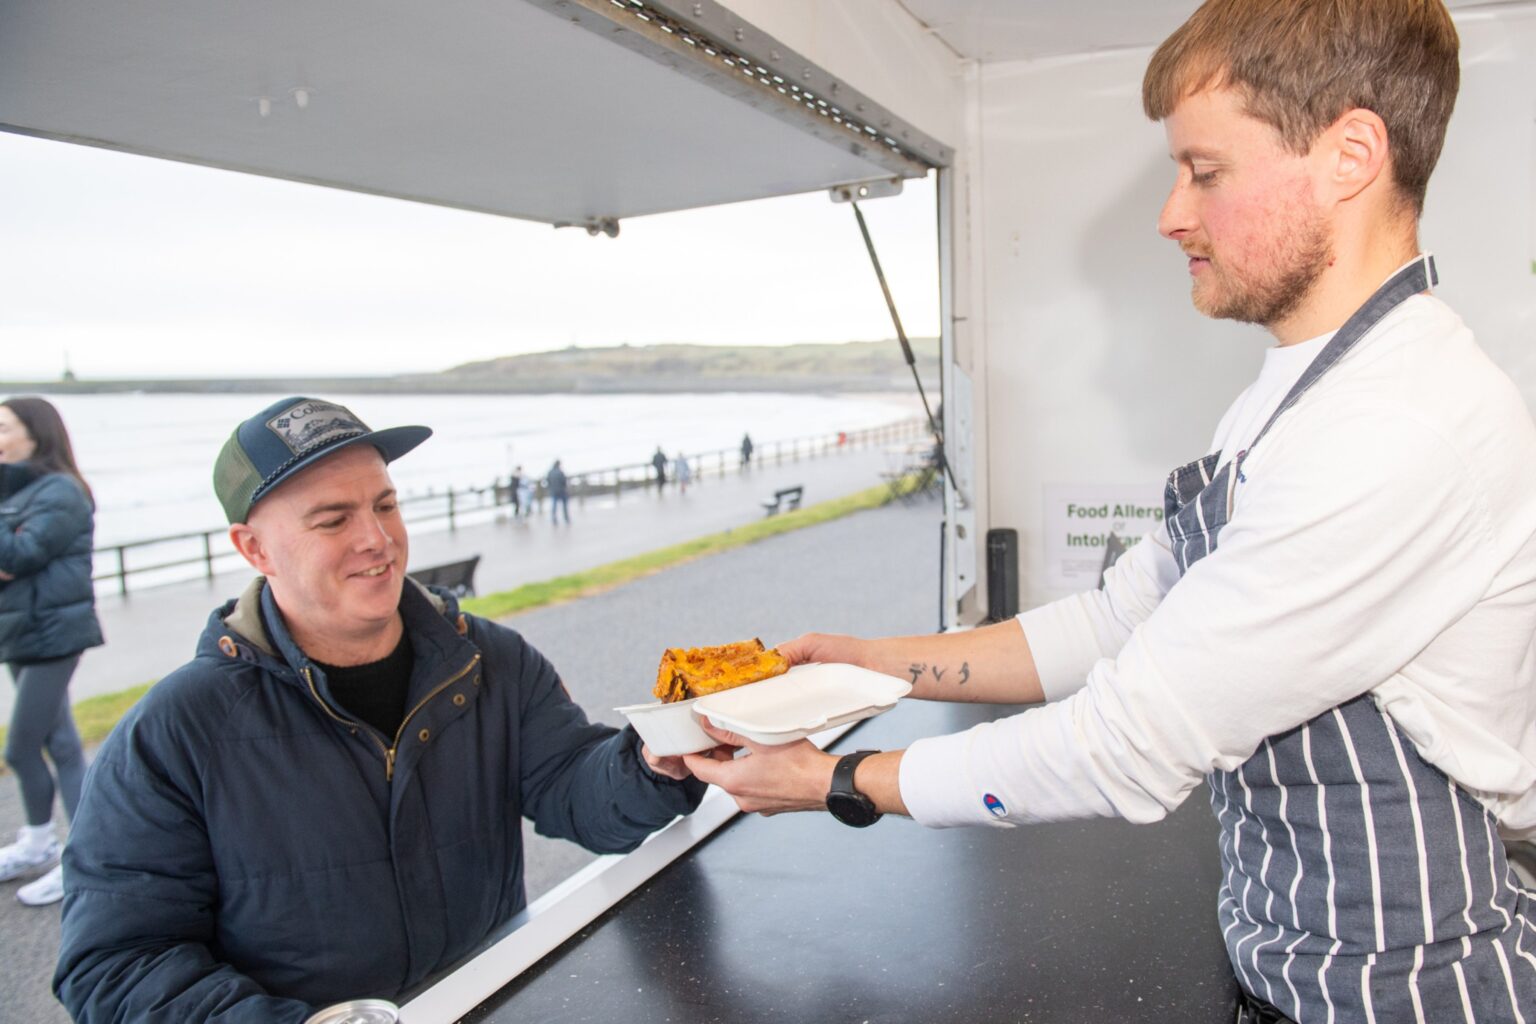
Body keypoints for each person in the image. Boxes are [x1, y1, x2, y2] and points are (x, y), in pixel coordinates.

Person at [688, 4, 1536, 1022]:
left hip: (1406, 993)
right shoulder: (1296, 396)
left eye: (1204, 169)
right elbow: (1114, 622)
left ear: (1351, 154)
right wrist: (872, 660)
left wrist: (838, 779)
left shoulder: (1401, 424)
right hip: (1283, 961)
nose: (1173, 213)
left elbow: (1127, 743)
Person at [55, 397, 707, 1021]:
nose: (378, 539)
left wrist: (655, 761)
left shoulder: (490, 660)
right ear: (254, 549)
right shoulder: (175, 732)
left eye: (385, 504)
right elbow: (114, 963)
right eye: (333, 519)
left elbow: (574, 791)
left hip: (489, 998)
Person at [0, 397, 103, 909]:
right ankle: (41, 842)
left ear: (35, 434)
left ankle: (84, 861)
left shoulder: (61, 491)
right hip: (22, 632)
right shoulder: (23, 490)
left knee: (21, 747)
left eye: (3, 428)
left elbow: (18, 557)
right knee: (61, 743)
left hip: (54, 634)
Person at [546, 458, 570, 524]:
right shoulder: (560, 472)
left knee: (554, 505)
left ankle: (554, 518)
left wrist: (550, 488)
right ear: (559, 464)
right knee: (564, 505)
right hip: (562, 491)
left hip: (553, 491)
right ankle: (566, 518)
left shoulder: (550, 472)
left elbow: (547, 481)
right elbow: (564, 481)